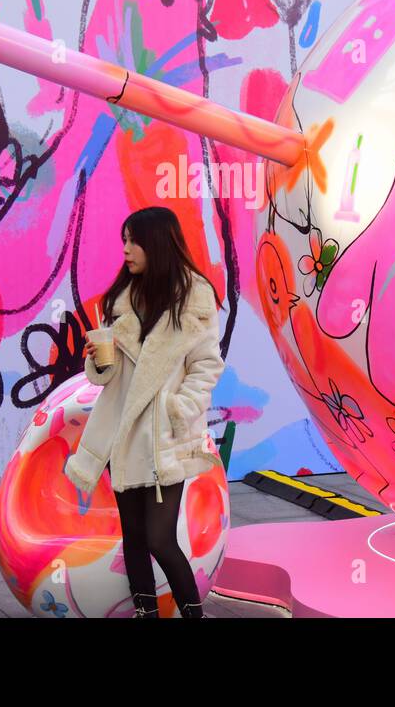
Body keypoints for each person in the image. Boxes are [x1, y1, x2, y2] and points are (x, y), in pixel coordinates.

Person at [63, 206, 226, 619]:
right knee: (133, 536)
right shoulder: (120, 299)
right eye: (124, 240)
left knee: (159, 538)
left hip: (164, 435)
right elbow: (108, 377)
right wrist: (98, 362)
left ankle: (194, 614)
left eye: (134, 241)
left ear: (157, 243)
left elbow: (207, 366)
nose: (127, 250)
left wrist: (179, 408)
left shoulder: (194, 298)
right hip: (124, 431)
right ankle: (145, 613)